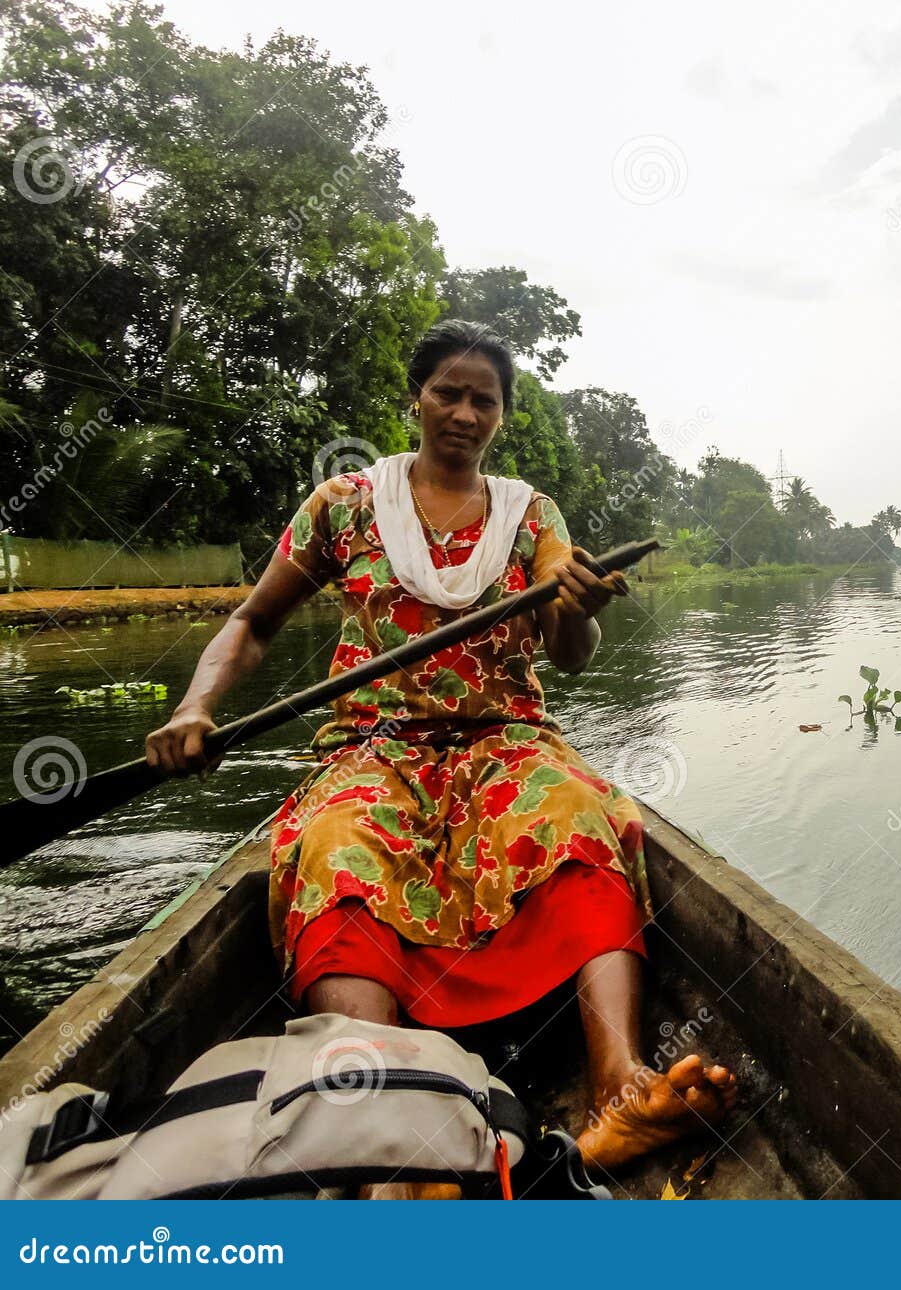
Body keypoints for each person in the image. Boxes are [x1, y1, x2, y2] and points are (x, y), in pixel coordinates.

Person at [145, 320, 734, 1188]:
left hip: (506, 742)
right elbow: (251, 623)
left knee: (577, 813)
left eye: (483, 400)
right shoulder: (342, 505)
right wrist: (195, 706)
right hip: (372, 746)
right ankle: (375, 1108)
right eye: (447, 393)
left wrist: (576, 605)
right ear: (417, 398)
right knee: (340, 841)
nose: (463, 412)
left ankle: (618, 1081)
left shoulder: (532, 514)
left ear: (502, 415)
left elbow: (569, 655)